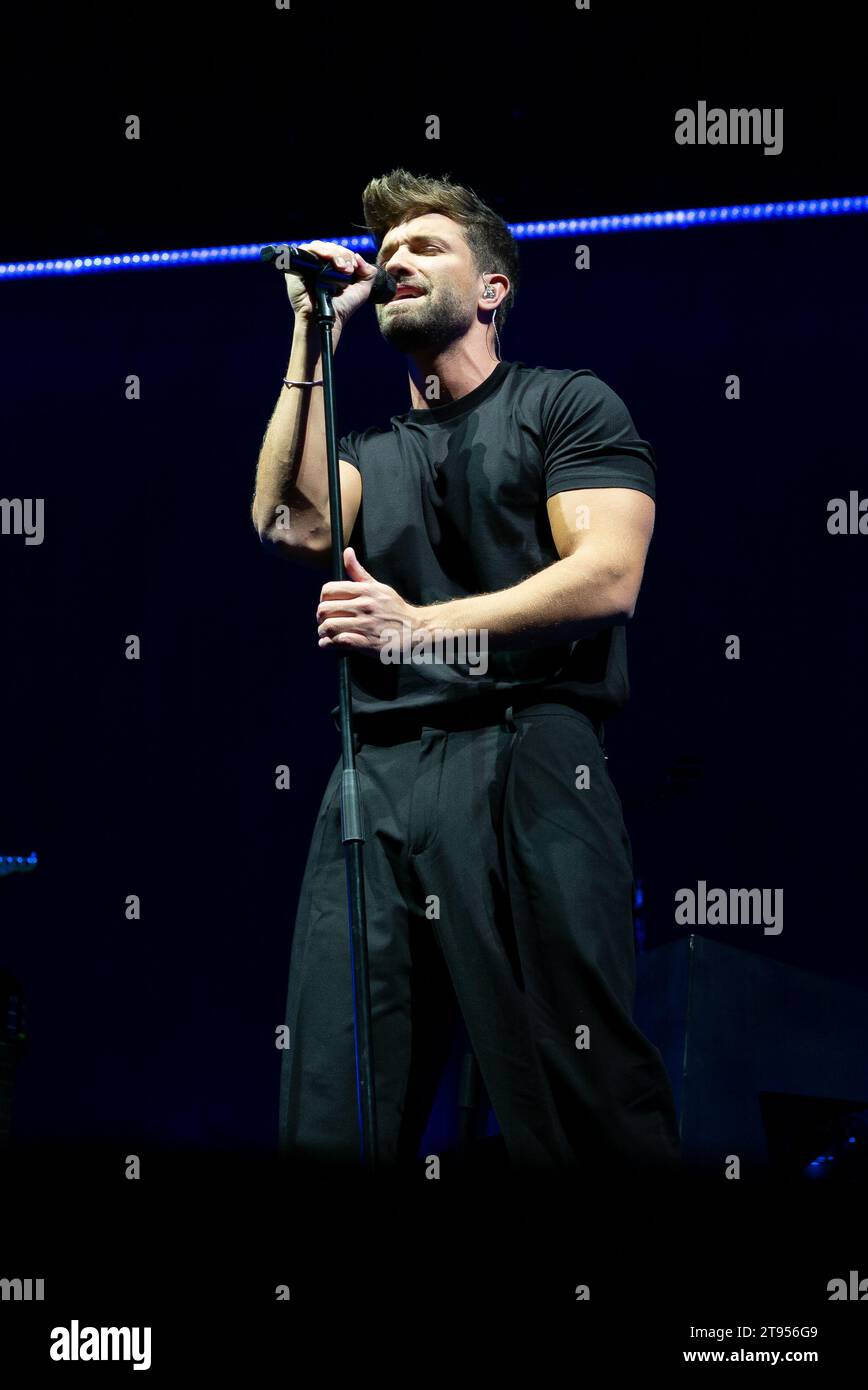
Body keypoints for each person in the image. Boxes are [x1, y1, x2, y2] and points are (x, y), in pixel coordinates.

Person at [252, 168, 681, 1176]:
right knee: (337, 1094)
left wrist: (421, 629)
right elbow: (290, 523)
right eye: (388, 253)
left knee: (571, 1082)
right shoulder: (368, 451)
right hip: (378, 778)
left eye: (428, 248)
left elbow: (608, 575)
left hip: (530, 752)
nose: (399, 261)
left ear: (492, 288)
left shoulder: (565, 404)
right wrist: (315, 330)